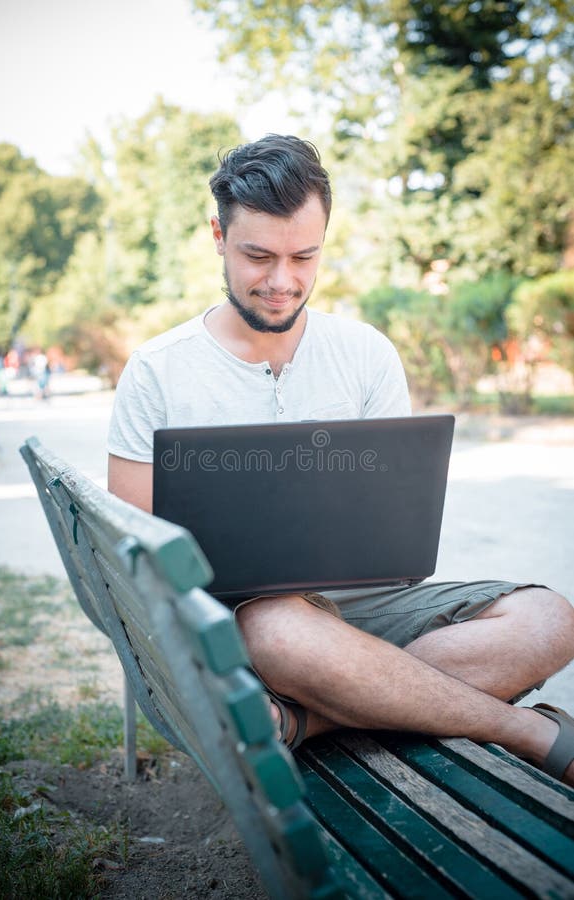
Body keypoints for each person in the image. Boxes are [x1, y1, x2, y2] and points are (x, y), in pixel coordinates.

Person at [108, 134, 574, 785]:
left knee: (549, 619)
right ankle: (525, 730)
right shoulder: (159, 371)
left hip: (364, 611)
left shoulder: (365, 353)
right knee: (278, 628)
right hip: (251, 628)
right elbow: (136, 554)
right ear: (217, 234)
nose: (282, 281)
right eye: (257, 256)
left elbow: (390, 521)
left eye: (304, 255)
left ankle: (310, 719)